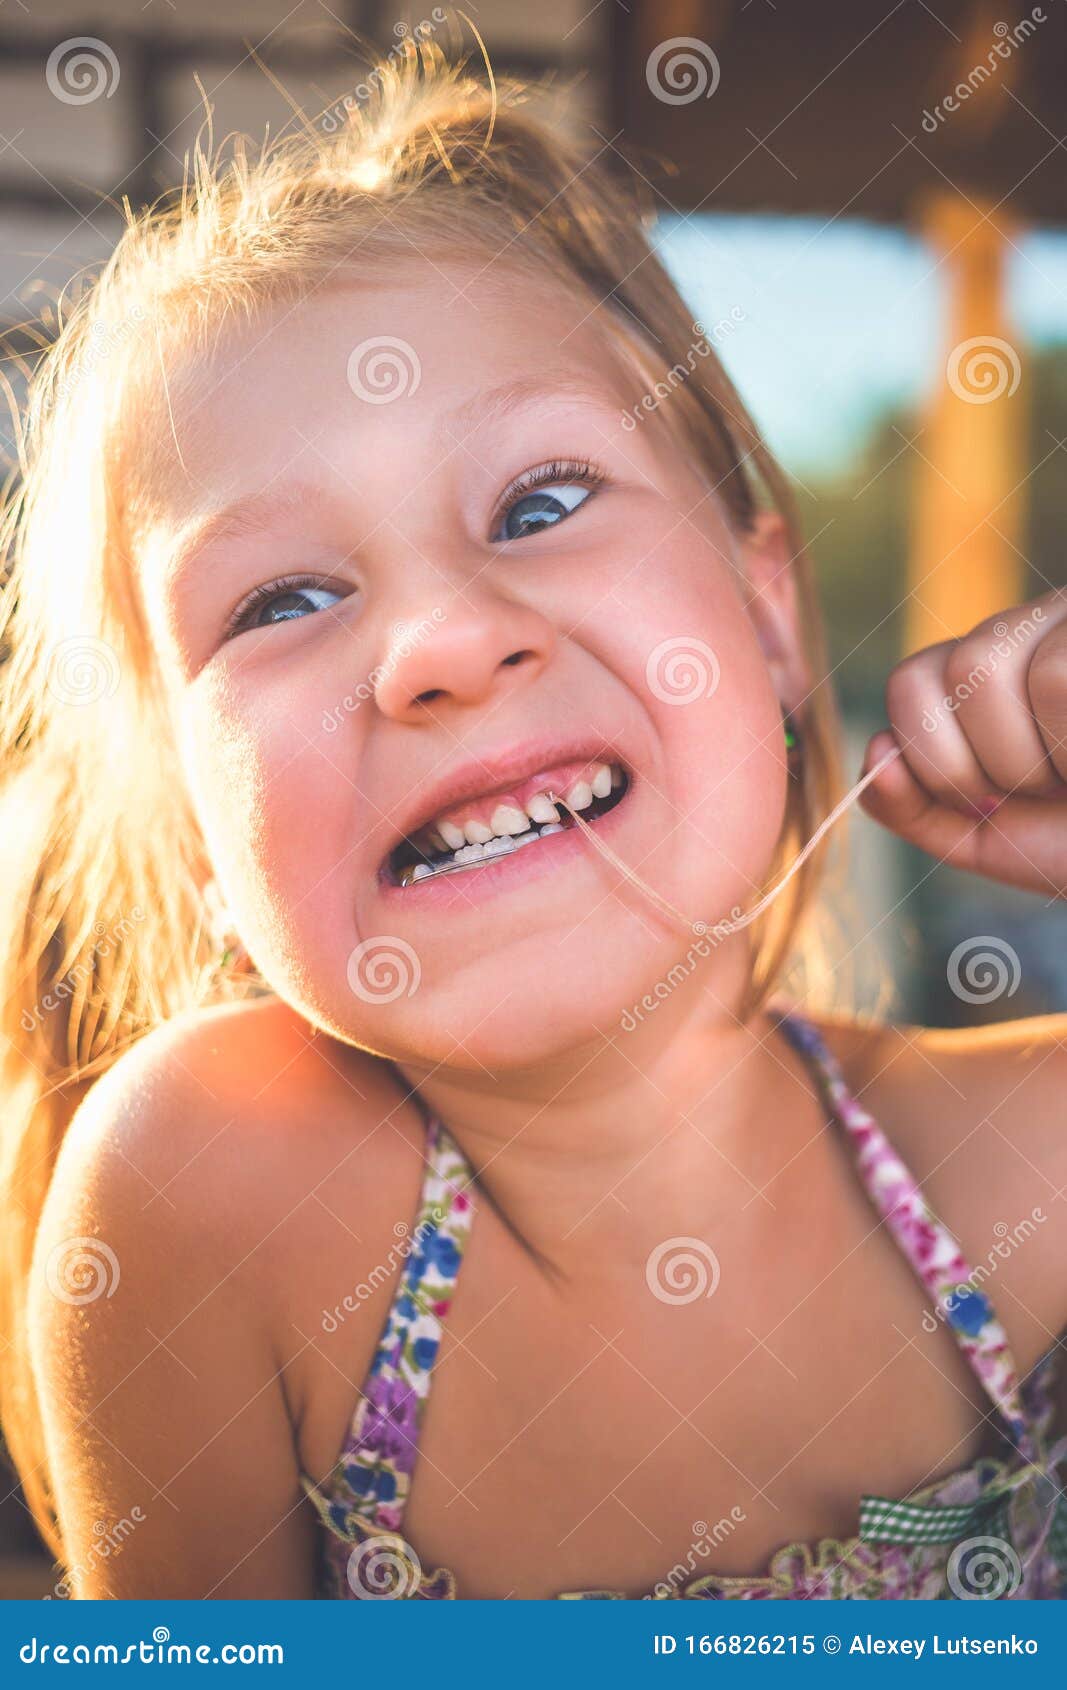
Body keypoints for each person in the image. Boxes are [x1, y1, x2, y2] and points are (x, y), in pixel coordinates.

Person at [1, 43, 1065, 1601]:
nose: (442, 645)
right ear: (196, 847)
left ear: (770, 618)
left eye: (542, 504)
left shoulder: (1031, 1148)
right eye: (281, 599)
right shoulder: (212, 1188)